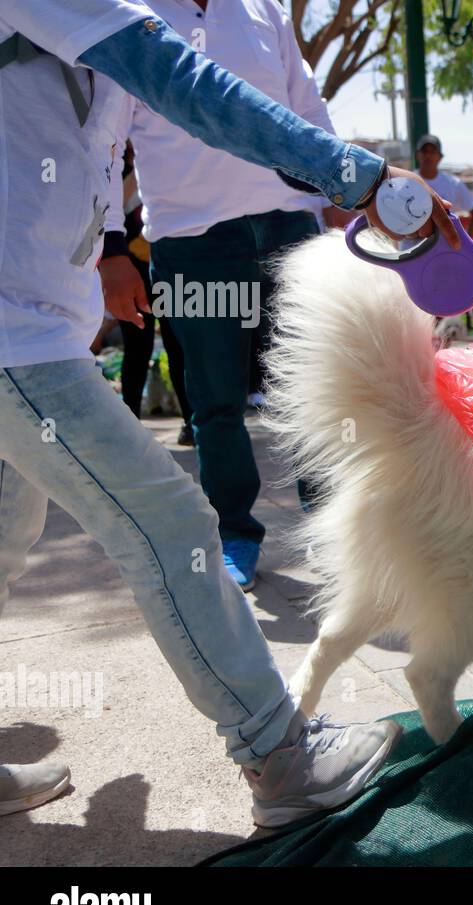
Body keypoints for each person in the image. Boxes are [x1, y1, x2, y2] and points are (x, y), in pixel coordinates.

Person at [0, 0, 461, 825]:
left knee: (1, 535)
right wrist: (359, 176)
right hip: (13, 333)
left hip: (38, 324)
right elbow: (181, 83)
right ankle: (279, 757)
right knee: (168, 521)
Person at [99, 0, 353, 592]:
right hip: (192, 242)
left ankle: (334, 532)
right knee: (215, 403)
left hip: (290, 226)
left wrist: (343, 190)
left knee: (313, 391)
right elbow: (103, 144)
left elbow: (306, 106)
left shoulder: (265, 8)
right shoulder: (128, 16)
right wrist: (113, 250)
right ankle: (233, 532)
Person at [109, 140, 193, 441]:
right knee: (137, 347)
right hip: (132, 269)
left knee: (178, 346)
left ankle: (190, 423)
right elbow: (114, 205)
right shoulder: (115, 168)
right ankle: (129, 426)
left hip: (169, 263)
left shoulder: (167, 160)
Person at [415, 133, 473, 238]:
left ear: (440, 157)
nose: (428, 155)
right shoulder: (407, 182)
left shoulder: (453, 183)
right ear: (417, 155)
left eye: (432, 151)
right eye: (424, 151)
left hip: (444, 248)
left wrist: (468, 242)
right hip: (411, 249)